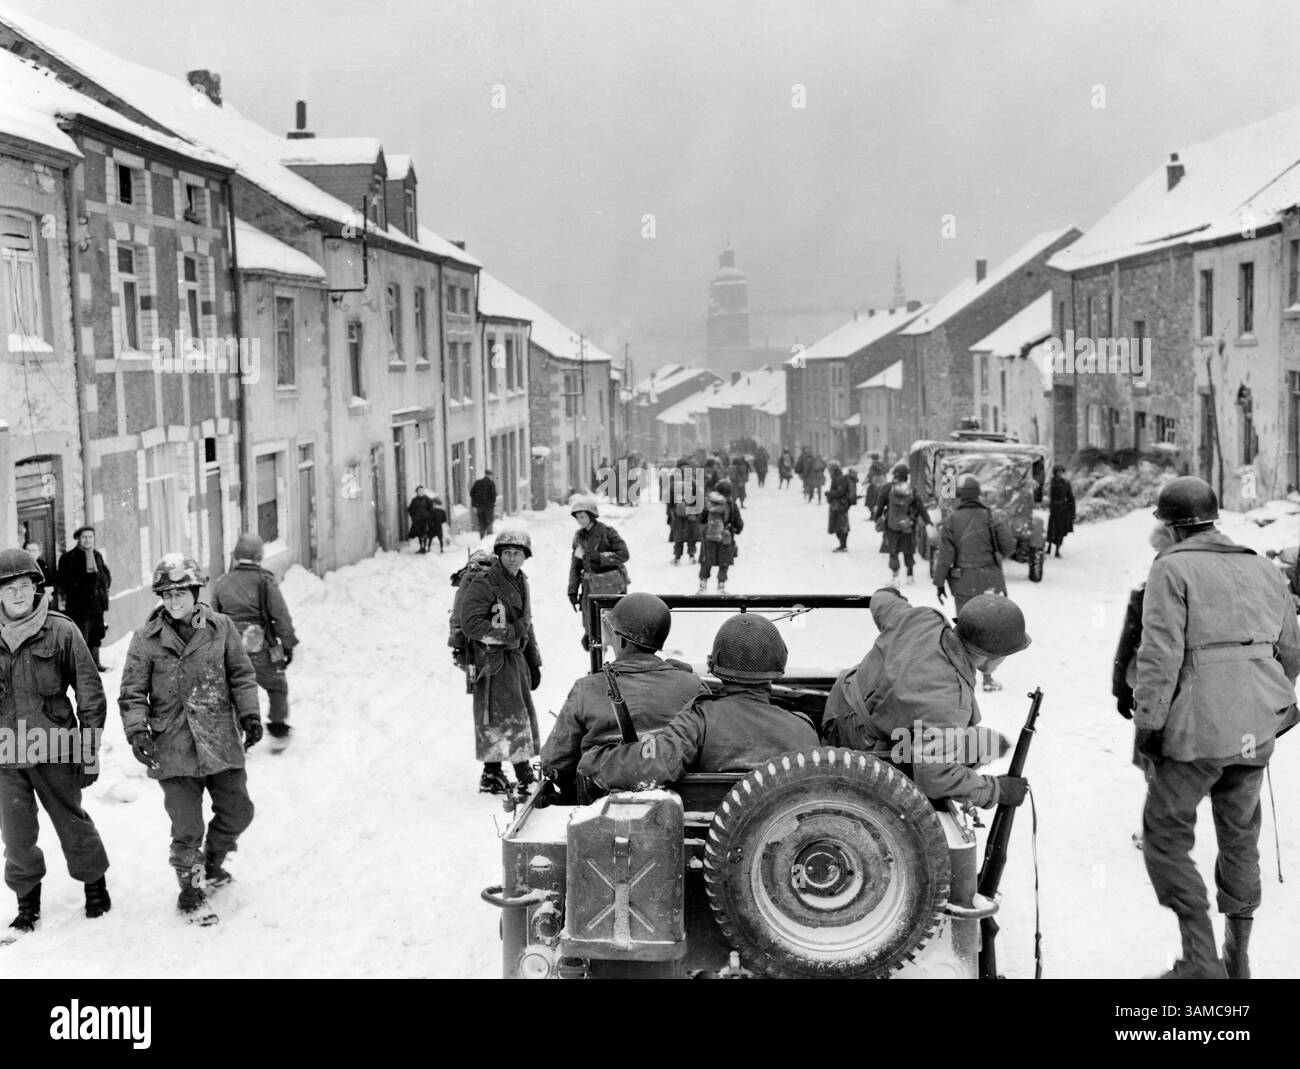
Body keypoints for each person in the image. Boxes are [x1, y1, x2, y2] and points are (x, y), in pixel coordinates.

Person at [1133, 476, 1300, 979]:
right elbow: (1291, 650)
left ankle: (1201, 962)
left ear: (1170, 525)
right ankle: (1239, 960)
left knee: (1165, 836)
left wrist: (1149, 726)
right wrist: (1263, 703)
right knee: (1240, 838)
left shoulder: (1171, 567)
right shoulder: (1264, 566)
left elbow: (1159, 656)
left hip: (1198, 731)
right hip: (1256, 728)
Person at [119, 554, 261, 924]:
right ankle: (192, 891)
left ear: (195, 592)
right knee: (187, 830)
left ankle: (211, 864)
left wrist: (250, 715)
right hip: (174, 748)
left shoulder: (222, 628)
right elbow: (132, 692)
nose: (174, 600)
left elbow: (241, 676)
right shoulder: (145, 640)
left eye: (181, 592)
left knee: (239, 811)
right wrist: (137, 731)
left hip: (219, 739)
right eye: (166, 594)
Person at [821, 587, 1031, 810]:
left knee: (989, 742)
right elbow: (936, 778)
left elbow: (882, 600)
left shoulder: (921, 620)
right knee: (984, 745)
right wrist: (995, 790)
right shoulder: (949, 700)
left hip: (837, 709)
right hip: (858, 750)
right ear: (992, 656)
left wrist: (889, 592)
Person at [0, 548, 110, 934]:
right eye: (8, 587)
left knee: (72, 825)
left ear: (36, 588)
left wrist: (88, 751)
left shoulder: (62, 630)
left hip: (55, 750)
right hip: (6, 757)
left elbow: (90, 695)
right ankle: (27, 904)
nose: (16, 594)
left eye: (24, 585)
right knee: (15, 838)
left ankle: (95, 887)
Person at [578, 614, 818, 790]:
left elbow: (652, 763)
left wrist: (594, 759)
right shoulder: (803, 729)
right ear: (779, 667)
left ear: (715, 667)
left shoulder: (700, 720)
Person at [539, 592, 707, 804]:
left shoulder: (587, 688)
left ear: (621, 638)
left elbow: (557, 760)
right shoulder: (692, 686)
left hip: (599, 807)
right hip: (679, 807)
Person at [459, 530, 543, 796]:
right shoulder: (485, 582)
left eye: (517, 552)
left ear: (526, 556)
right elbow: (470, 623)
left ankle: (492, 774)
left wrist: (534, 661)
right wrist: (508, 635)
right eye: (507, 552)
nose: (512, 557)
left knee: (498, 716)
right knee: (511, 717)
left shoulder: (521, 581)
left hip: (514, 659)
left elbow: (526, 624)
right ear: (499, 554)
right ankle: (525, 777)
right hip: (492, 662)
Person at [1113, 523, 1176, 849]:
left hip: (1153, 690)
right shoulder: (1213, 583)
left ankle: (1158, 830)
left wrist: (1120, 688)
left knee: (1155, 760)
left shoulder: (1151, 586)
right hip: (1197, 690)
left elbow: (1130, 641)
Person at [210, 533, 299, 749]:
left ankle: (235, 738)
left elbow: (213, 618)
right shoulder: (264, 581)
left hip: (231, 648)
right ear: (259, 555)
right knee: (277, 684)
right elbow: (280, 615)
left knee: (234, 690)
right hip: (261, 646)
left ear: (237, 555)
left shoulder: (222, 583)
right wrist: (287, 644)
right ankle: (278, 730)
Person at [932, 474, 1017, 691]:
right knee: (992, 628)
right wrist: (995, 556)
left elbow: (945, 556)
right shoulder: (992, 516)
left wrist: (939, 582)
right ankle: (988, 676)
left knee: (967, 630)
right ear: (978, 494)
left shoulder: (951, 520)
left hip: (963, 583)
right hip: (990, 580)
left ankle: (964, 678)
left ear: (960, 495)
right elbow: (1009, 546)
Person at [567, 497, 630, 652]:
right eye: (577, 517)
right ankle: (597, 668)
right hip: (589, 589)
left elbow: (623, 554)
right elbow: (575, 566)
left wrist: (597, 557)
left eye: (582, 516)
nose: (579, 520)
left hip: (610, 587)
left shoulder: (607, 532)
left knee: (614, 629)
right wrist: (572, 590)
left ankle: (620, 665)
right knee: (592, 629)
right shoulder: (578, 537)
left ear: (591, 515)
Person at [55, 526, 111, 672]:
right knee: (81, 636)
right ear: (78, 539)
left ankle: (95, 663)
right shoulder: (69, 557)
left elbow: (106, 575)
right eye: (84, 537)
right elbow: (63, 581)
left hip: (96, 604)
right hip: (79, 606)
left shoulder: (97, 555)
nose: (88, 540)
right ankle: (82, 668)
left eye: (90, 537)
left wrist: (103, 584)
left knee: (96, 634)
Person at [872, 462, 927, 586]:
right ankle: (910, 576)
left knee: (893, 550)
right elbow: (920, 506)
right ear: (906, 475)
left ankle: (895, 577)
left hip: (891, 525)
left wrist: (876, 518)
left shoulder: (887, 488)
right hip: (907, 525)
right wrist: (924, 520)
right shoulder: (911, 489)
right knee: (908, 550)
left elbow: (879, 505)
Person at [698, 478, 743, 594]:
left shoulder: (709, 502)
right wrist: (737, 530)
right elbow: (738, 522)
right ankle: (721, 586)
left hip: (709, 536)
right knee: (724, 561)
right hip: (725, 536)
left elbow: (702, 518)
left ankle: (703, 585)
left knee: (706, 560)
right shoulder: (731, 504)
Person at [666, 458, 704, 566]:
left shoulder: (674, 484)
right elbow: (700, 499)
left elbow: (669, 500)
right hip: (691, 513)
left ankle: (677, 557)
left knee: (678, 536)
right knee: (691, 535)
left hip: (678, 513)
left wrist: (671, 511)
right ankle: (692, 556)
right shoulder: (694, 483)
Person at [1047, 464, 1076, 558]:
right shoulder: (1050, 483)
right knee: (1051, 530)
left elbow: (1070, 497)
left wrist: (1072, 511)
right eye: (1058, 472)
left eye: (1061, 472)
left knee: (1060, 531)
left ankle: (1057, 550)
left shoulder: (1066, 483)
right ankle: (1049, 547)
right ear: (1055, 473)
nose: (1059, 474)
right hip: (1053, 509)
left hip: (1063, 510)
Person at [826, 461, 851, 552]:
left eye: (829, 469)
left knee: (841, 525)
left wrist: (830, 494)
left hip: (840, 504)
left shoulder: (839, 477)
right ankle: (842, 545)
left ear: (833, 469)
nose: (828, 471)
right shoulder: (836, 476)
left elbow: (841, 491)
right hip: (837, 504)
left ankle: (843, 546)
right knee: (838, 525)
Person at [407, 485, 437, 554]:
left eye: (422, 491)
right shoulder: (414, 500)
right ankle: (421, 547)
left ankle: (425, 548)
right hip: (417, 520)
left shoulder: (427, 499)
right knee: (419, 534)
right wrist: (413, 516)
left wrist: (429, 516)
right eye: (419, 491)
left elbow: (431, 509)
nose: (421, 492)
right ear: (417, 492)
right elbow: (410, 509)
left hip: (425, 519)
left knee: (425, 533)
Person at [469, 470, 498, 540]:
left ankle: (482, 537)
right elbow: (493, 495)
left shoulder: (478, 483)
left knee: (481, 522)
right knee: (489, 521)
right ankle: (489, 537)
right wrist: (492, 502)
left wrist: (476, 503)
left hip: (480, 507)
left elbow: (472, 493)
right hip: (489, 507)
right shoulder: (491, 483)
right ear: (490, 475)